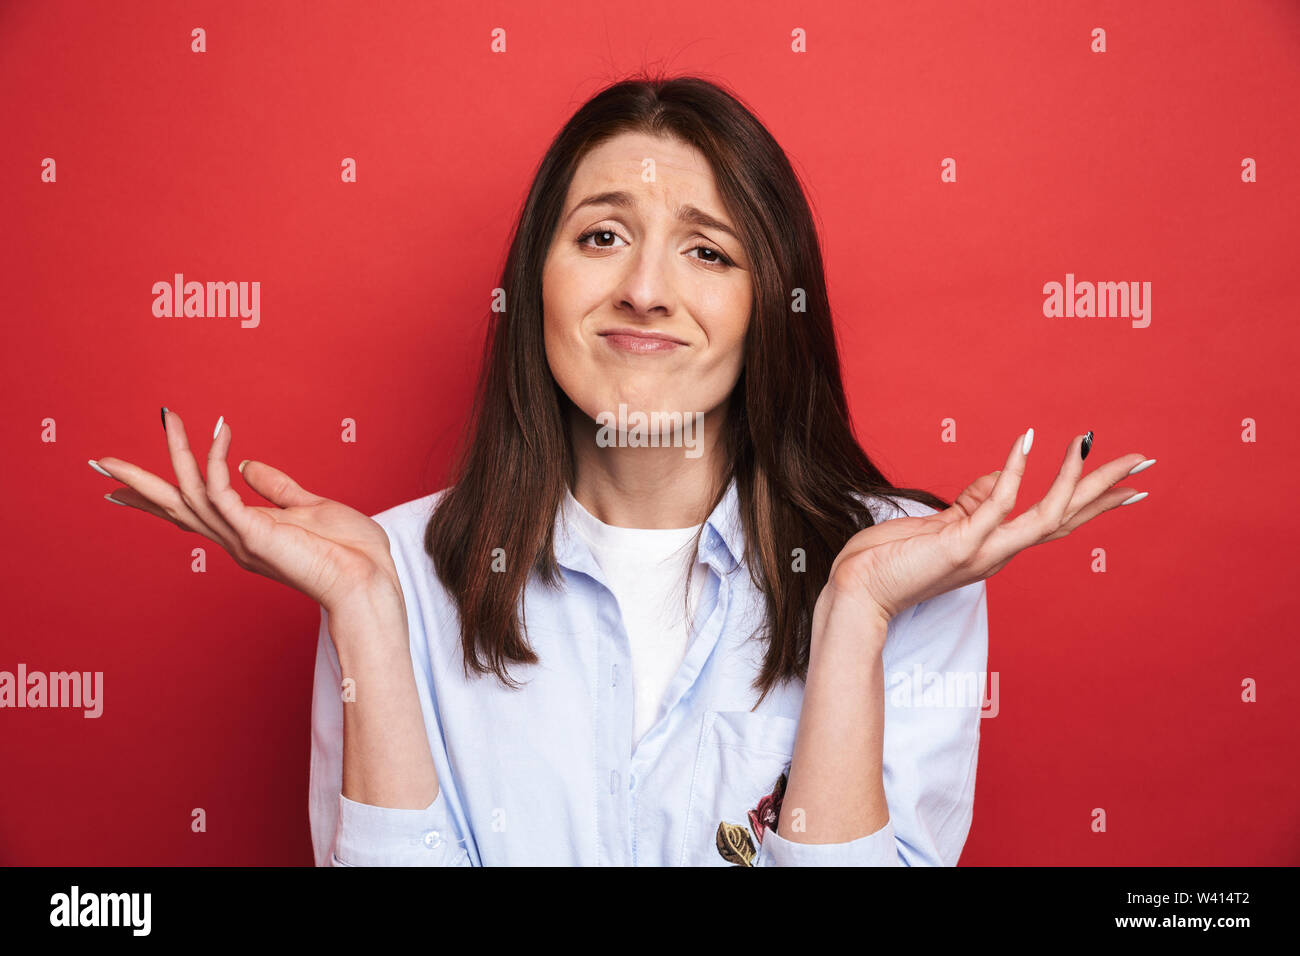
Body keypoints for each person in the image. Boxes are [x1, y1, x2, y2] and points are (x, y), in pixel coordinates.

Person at [89, 74, 1155, 866]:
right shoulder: (387, 569)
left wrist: (855, 611)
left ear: (771, 302)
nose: (645, 289)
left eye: (706, 250)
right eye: (601, 235)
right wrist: (369, 606)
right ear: (535, 287)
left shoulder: (903, 566)